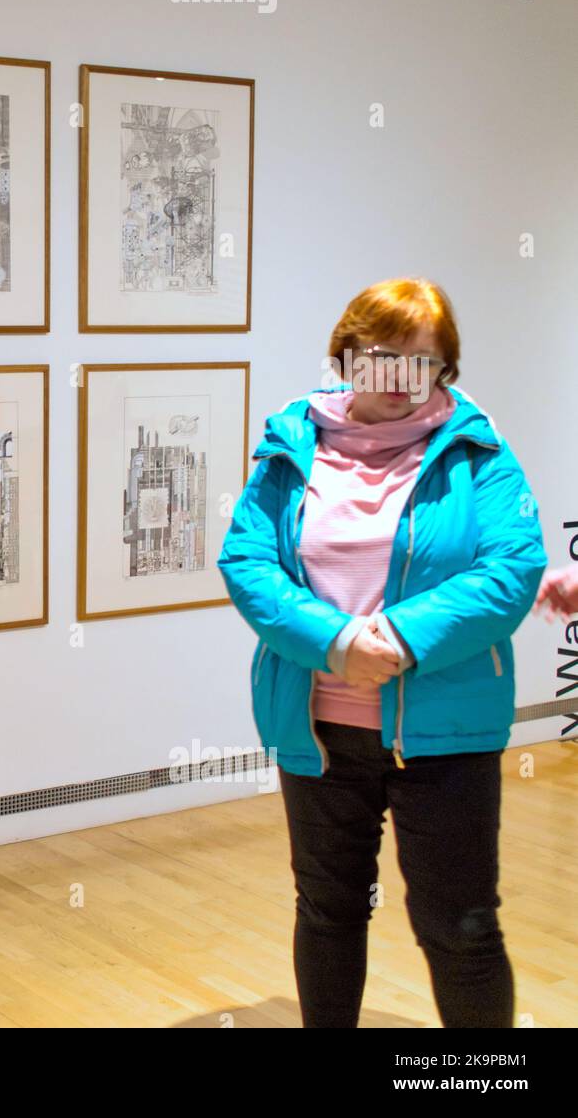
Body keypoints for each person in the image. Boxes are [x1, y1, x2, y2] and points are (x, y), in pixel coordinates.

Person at [217, 277, 547, 1028]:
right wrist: (334, 642)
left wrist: (396, 638)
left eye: (422, 362)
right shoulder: (289, 443)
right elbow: (248, 562)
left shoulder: (478, 455)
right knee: (328, 910)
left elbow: (512, 569)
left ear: (445, 372)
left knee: (459, 925)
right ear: (346, 358)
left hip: (445, 732)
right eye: (381, 357)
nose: (400, 378)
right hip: (319, 731)